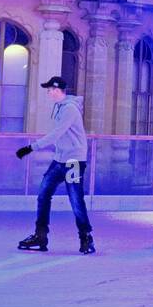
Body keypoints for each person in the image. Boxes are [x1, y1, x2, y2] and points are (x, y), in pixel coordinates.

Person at [16, 76, 94, 254]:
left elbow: (56, 134)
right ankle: (40, 236)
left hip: (73, 161)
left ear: (58, 90)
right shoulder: (59, 107)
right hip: (59, 160)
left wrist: (30, 147)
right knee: (43, 195)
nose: (48, 93)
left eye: (50, 89)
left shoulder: (70, 110)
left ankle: (86, 237)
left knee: (75, 199)